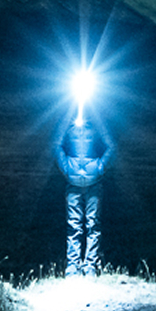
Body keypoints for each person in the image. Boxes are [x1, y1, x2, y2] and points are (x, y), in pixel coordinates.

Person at [56, 108, 109, 275]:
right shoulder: (69, 125)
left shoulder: (97, 126)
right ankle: (74, 267)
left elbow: (112, 146)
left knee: (90, 225)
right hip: (77, 182)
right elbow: (56, 144)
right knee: (76, 225)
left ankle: (88, 267)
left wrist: (100, 167)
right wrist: (66, 168)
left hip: (90, 182)